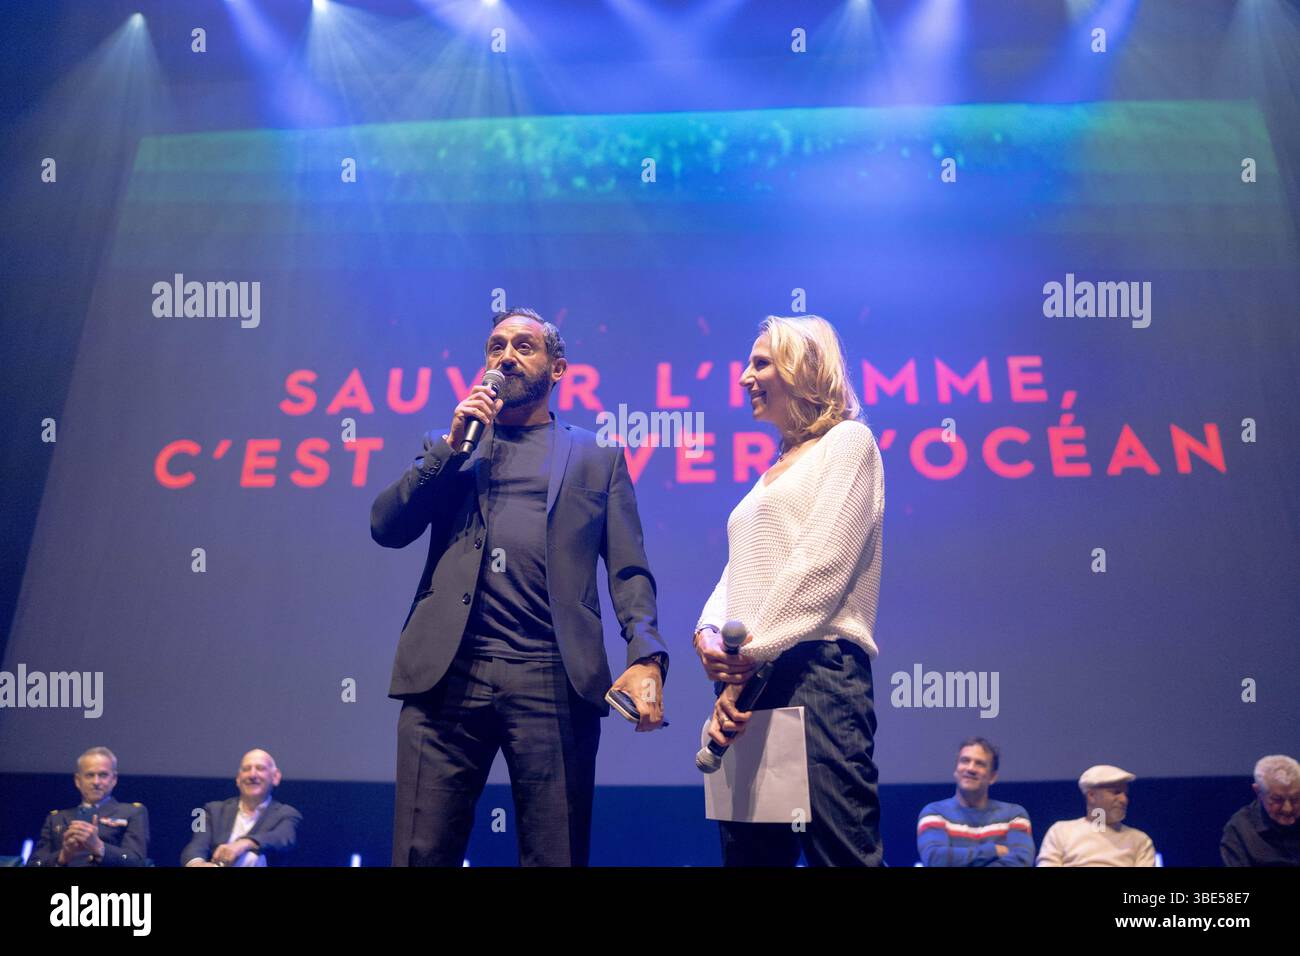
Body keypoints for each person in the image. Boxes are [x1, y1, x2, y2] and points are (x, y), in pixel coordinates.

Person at [372, 307, 668, 867]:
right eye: (496, 346)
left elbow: (628, 569)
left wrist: (647, 654)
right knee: (419, 855)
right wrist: (450, 449)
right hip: (447, 678)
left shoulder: (596, 457)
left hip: (551, 676)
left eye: (523, 346)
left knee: (555, 855)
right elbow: (386, 527)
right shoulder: (452, 447)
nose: (506, 355)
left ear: (557, 368)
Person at [695, 314, 885, 866]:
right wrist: (707, 632)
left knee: (841, 855)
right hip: (747, 681)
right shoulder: (771, 471)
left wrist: (745, 657)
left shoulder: (849, 443)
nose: (743, 378)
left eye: (760, 363)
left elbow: (821, 565)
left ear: (804, 368)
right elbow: (742, 572)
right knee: (750, 859)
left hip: (815, 675)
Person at [916, 737, 1034, 866]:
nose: (970, 768)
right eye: (965, 761)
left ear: (992, 777)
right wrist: (993, 850)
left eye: (980, 764)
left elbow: (1022, 862)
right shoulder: (935, 813)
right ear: (956, 770)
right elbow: (935, 859)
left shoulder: (1014, 815)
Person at [26, 746, 149, 867]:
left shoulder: (131, 813)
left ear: (114, 779)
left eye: (103, 775)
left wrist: (99, 847)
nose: (96, 782)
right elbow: (35, 864)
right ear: (78, 780)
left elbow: (137, 862)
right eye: (90, 775)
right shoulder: (56, 818)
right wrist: (62, 857)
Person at [181, 749, 302, 867]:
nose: (252, 775)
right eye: (246, 769)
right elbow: (195, 845)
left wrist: (245, 843)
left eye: (260, 768)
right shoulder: (209, 811)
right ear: (238, 779)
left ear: (275, 777)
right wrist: (197, 863)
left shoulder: (288, 814)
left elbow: (283, 838)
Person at [1036, 765, 1156, 866]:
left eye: (1125, 794)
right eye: (1116, 792)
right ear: (1091, 796)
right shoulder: (1061, 831)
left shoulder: (1140, 840)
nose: (1123, 800)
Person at [1220, 754, 1300, 867]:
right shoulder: (1240, 828)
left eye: (1295, 798)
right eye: (1277, 800)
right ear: (1258, 792)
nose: (1288, 808)